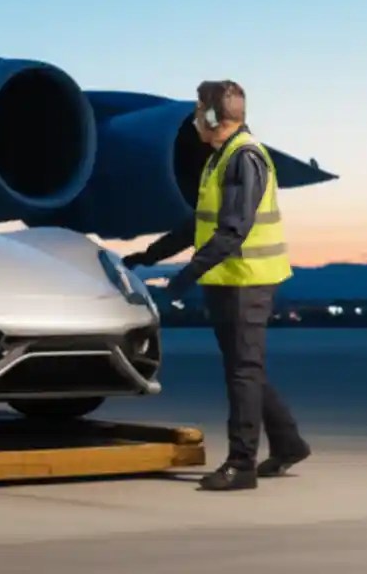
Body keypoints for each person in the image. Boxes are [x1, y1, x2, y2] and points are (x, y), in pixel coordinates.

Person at [122, 80, 310, 491]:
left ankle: (241, 464)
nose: (193, 119)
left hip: (246, 281)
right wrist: (151, 255)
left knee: (242, 371)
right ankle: (289, 442)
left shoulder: (244, 158)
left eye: (197, 112)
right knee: (247, 368)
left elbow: (232, 229)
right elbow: (199, 222)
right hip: (228, 278)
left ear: (210, 117)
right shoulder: (222, 157)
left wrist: (186, 275)